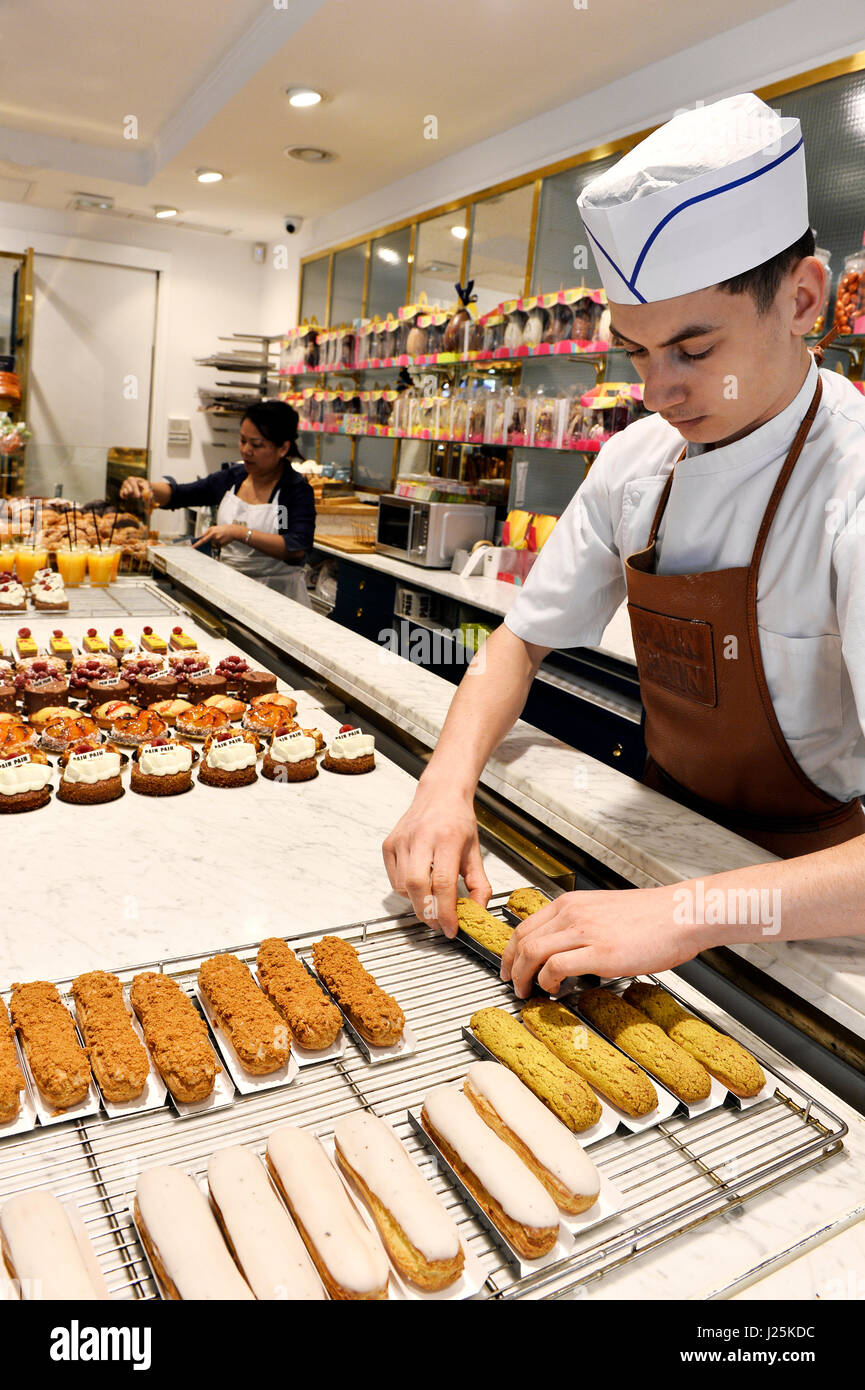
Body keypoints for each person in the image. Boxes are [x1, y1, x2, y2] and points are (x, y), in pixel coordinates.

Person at [383, 93, 865, 996]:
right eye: (635, 354)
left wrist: (689, 910)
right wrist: (442, 786)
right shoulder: (636, 461)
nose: (657, 392)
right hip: (652, 841)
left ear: (800, 298)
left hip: (814, 898)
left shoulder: (852, 486)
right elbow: (519, 642)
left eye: (691, 349)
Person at [121, 400, 315, 605]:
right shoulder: (234, 478)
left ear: (283, 448)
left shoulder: (293, 491)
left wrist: (239, 533)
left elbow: (294, 547)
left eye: (256, 445)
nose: (246, 450)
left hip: (279, 598)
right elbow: (182, 494)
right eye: (242, 440)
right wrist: (147, 487)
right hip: (232, 590)